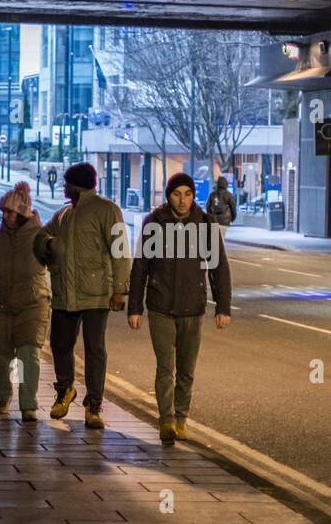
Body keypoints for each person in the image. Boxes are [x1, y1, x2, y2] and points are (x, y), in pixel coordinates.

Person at [128, 172, 232, 445]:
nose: (183, 200)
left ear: (193, 195)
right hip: (161, 305)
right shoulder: (155, 223)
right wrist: (134, 307)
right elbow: (141, 267)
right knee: (166, 368)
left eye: (187, 194)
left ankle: (181, 417)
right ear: (168, 195)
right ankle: (166, 420)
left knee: (186, 369)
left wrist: (223, 307)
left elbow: (219, 268)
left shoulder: (206, 224)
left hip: (193, 307)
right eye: (177, 194)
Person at [33, 162, 130, 430]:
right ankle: (65, 390)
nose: (64, 187)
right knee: (59, 344)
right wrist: (49, 243)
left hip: (97, 294)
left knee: (94, 350)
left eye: (67, 183)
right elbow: (40, 240)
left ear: (78, 185)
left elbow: (120, 250)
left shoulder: (107, 210)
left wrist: (120, 289)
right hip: (65, 293)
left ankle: (94, 406)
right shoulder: (63, 214)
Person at [0, 181, 49, 422]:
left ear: (22, 213)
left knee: (29, 355)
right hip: (1, 305)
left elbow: (57, 260)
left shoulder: (39, 236)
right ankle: (3, 396)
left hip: (33, 304)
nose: (5, 216)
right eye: (3, 211)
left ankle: (28, 404)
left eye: (10, 212)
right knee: (2, 356)